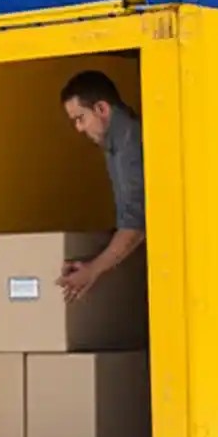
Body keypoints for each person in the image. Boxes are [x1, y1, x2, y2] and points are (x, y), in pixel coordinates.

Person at [56, 70, 146, 302]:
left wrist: (92, 270)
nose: (78, 128)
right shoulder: (115, 142)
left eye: (80, 118)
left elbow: (136, 224)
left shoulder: (129, 146)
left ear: (102, 109)